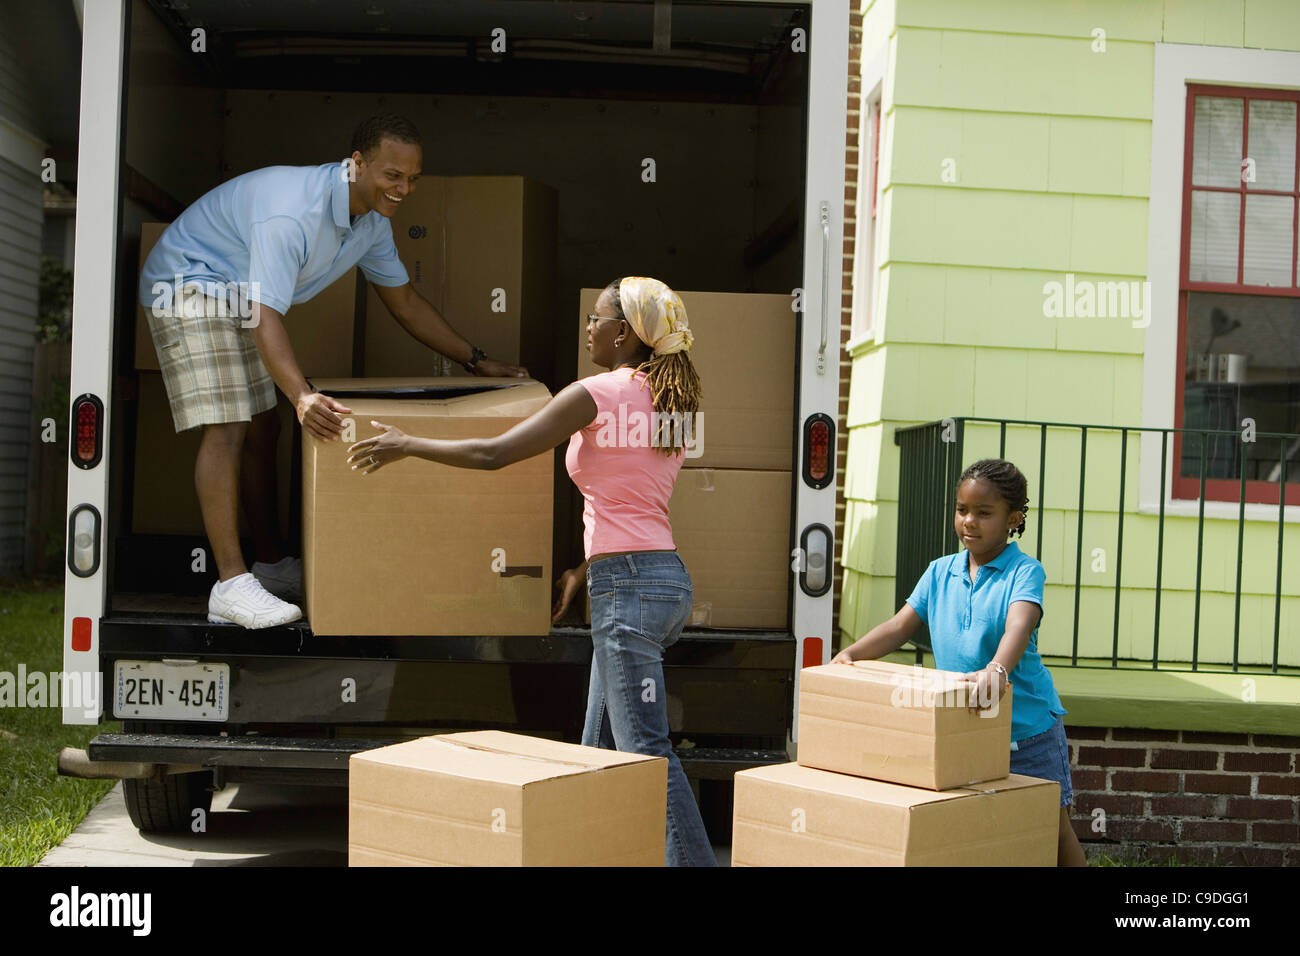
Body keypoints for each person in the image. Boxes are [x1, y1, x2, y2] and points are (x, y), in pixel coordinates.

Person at [346, 276, 715, 866]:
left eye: (596, 319)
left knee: (646, 755)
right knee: (594, 752)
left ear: (623, 333)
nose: (588, 329)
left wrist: (408, 443)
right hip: (660, 581)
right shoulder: (671, 398)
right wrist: (583, 570)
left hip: (626, 590)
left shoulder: (594, 394)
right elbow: (634, 499)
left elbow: (496, 452)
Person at [136, 113, 526, 629]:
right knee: (229, 426)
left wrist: (475, 360)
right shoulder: (292, 215)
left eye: (413, 178)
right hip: (189, 281)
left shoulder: (370, 224)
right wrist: (301, 395)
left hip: (236, 295)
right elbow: (266, 314)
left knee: (263, 427)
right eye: (392, 175)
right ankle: (230, 585)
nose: (403, 188)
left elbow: (404, 301)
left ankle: (272, 567)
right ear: (357, 163)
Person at [831, 458, 1087, 867]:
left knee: (1051, 832)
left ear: (1013, 519)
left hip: (1026, 733)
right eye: (962, 510)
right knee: (972, 833)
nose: (969, 521)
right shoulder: (939, 572)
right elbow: (900, 626)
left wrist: (996, 670)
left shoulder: (1024, 572)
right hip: (964, 727)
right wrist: (850, 654)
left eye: (984, 513)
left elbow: (1018, 628)